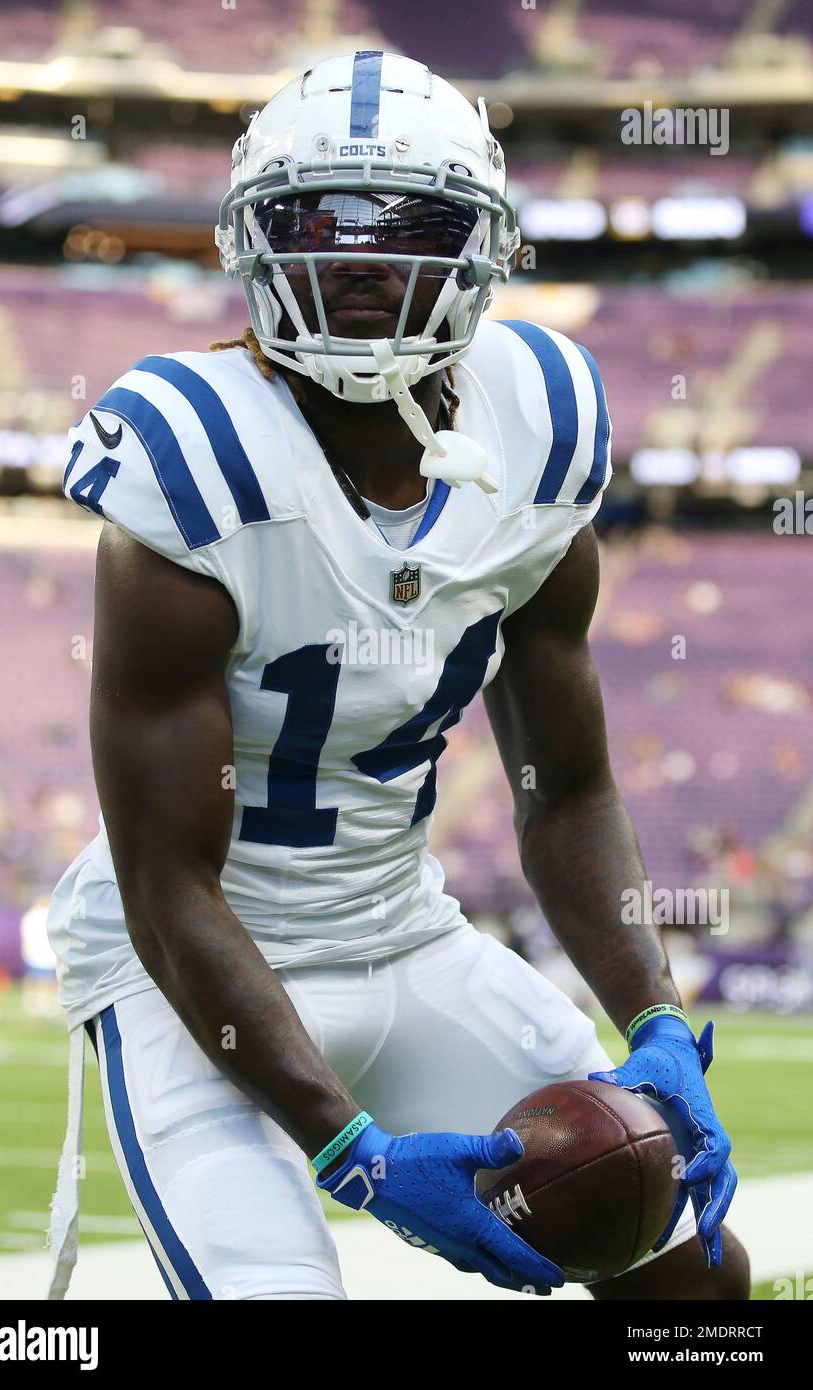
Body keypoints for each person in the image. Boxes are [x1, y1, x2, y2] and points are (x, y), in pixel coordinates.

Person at [48, 51, 745, 1301]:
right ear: (250, 244)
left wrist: (650, 1021)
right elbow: (165, 887)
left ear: (482, 249)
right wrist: (351, 1155)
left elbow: (568, 788)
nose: (362, 259)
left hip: (403, 930)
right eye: (317, 219)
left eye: (410, 224)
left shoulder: (538, 425)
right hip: (189, 972)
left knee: (683, 1259)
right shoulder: (193, 460)